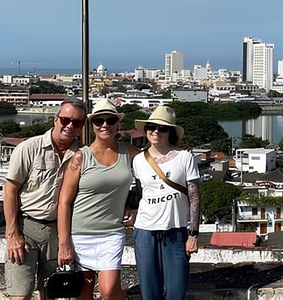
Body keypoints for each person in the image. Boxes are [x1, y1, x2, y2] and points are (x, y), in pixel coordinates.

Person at [4, 97, 87, 300]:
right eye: (65, 119)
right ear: (55, 119)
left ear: (82, 126)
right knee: (20, 293)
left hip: (59, 231)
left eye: (76, 122)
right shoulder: (29, 148)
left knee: (52, 291)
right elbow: (10, 191)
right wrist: (12, 234)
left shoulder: (83, 154)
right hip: (27, 227)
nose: (69, 125)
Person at [57, 99, 137, 300]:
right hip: (80, 234)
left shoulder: (129, 152)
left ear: (118, 124)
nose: (105, 125)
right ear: (92, 125)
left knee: (109, 290)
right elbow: (64, 202)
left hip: (111, 233)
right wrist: (64, 243)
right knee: (84, 293)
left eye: (110, 120)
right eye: (99, 121)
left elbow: (153, 175)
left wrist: (133, 205)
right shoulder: (80, 158)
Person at [132, 105, 201, 300]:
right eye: (151, 127)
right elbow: (139, 194)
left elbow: (194, 197)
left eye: (162, 128)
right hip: (145, 230)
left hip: (176, 230)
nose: (156, 132)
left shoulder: (185, 158)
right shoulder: (138, 160)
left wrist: (193, 234)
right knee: (149, 292)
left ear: (170, 132)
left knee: (176, 291)